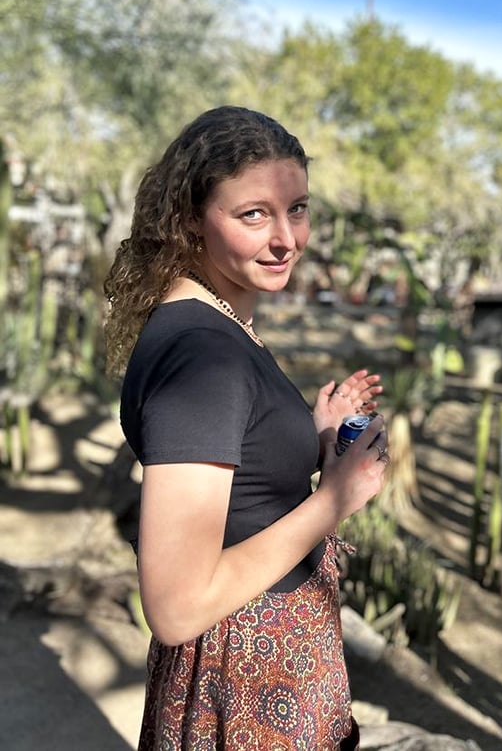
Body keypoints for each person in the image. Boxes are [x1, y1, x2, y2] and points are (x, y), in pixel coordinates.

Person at [104, 105, 389, 751]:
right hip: (245, 675)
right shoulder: (204, 353)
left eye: (298, 209)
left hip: (259, 660)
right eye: (253, 214)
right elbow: (177, 605)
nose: (286, 237)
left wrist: (309, 437)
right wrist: (336, 497)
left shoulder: (217, 322)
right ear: (188, 219)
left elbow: (235, 484)